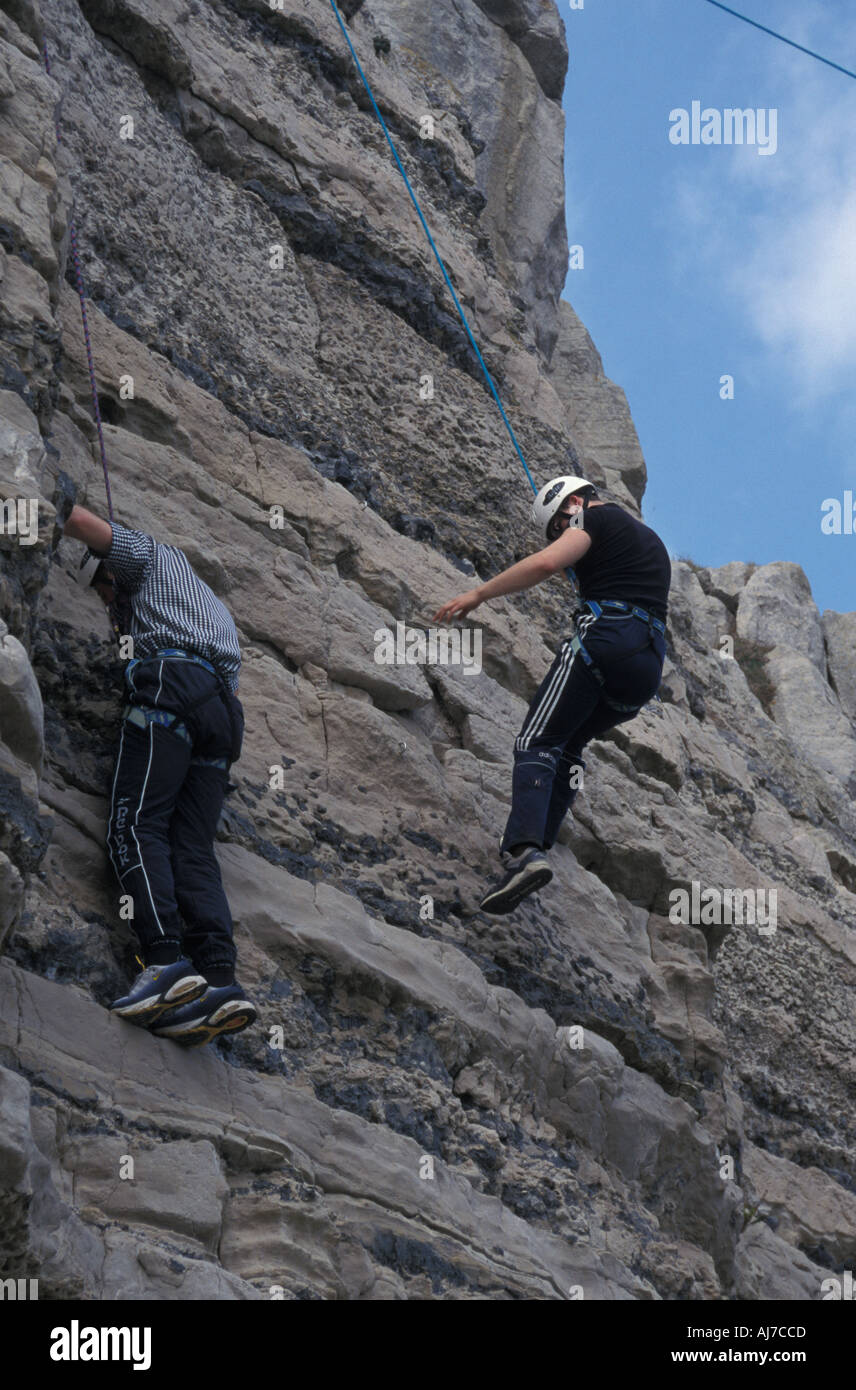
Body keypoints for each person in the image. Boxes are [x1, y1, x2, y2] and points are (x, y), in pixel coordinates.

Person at [63, 504, 257, 1045]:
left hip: (170, 686)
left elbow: (81, 523)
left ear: (108, 573)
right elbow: (228, 689)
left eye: (102, 590)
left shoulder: (148, 560)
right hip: (223, 715)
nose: (105, 602)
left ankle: (165, 960)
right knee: (192, 849)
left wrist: (32, 497)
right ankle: (219, 980)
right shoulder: (212, 609)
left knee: (135, 826)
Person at [433, 477, 670, 914]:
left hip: (606, 639)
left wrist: (479, 593)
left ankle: (523, 852)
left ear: (575, 502)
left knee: (535, 741)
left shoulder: (591, 517)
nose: (562, 534)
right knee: (568, 745)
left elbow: (545, 564)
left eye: (560, 525)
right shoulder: (649, 540)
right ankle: (538, 847)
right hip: (646, 667)